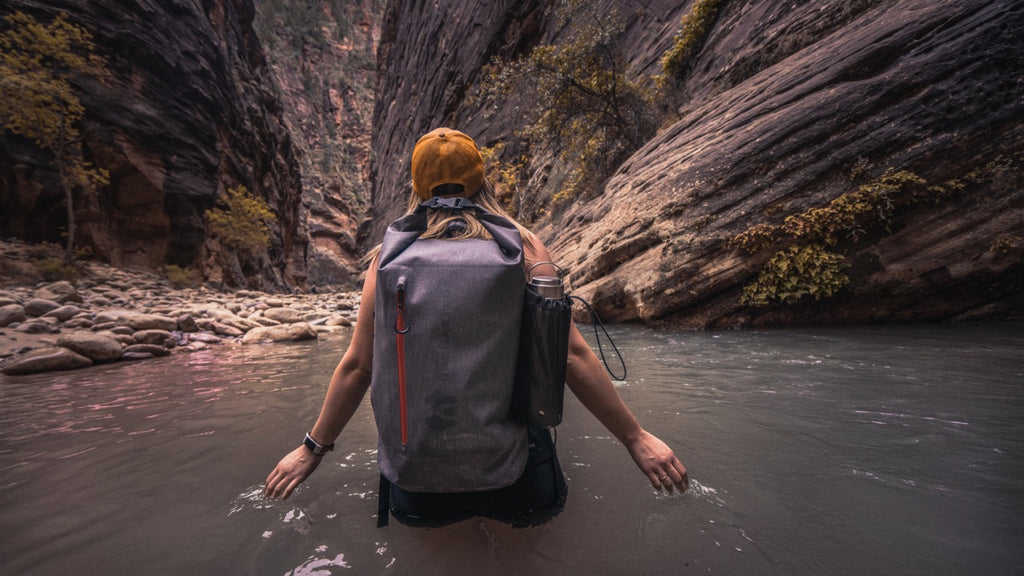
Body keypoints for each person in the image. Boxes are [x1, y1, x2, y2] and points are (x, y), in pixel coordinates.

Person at [264, 127, 687, 525]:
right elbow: (570, 356)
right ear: (483, 182)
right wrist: (636, 438)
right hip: (516, 465)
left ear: (416, 187)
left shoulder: (387, 261)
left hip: (418, 470)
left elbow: (359, 367)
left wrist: (311, 449)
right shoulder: (523, 246)